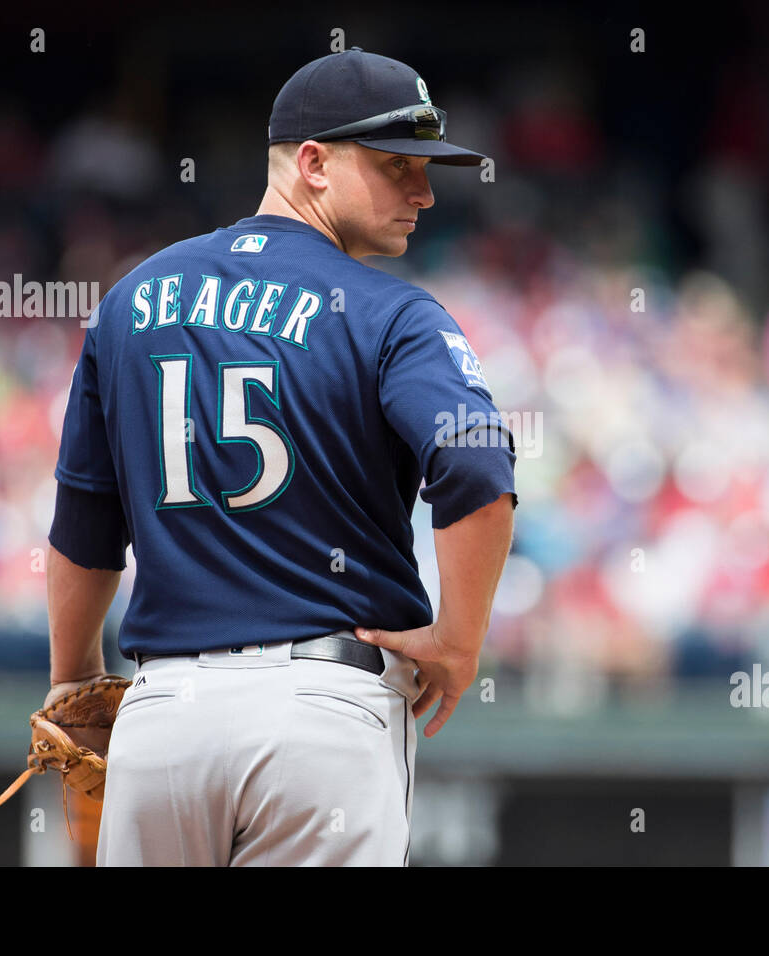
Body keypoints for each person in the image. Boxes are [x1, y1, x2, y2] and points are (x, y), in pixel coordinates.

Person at [44, 47, 517, 866]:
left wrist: (72, 682)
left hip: (163, 722)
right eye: (398, 166)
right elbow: (475, 465)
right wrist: (459, 641)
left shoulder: (130, 299)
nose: (426, 192)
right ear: (313, 162)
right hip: (322, 714)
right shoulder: (393, 314)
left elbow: (85, 520)